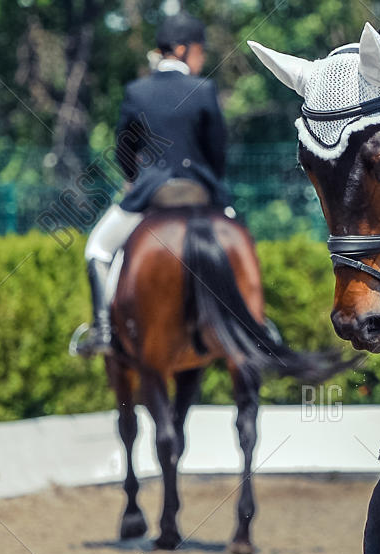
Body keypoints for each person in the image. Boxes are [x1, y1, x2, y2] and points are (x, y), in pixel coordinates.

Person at [72, 13, 233, 357]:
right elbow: (217, 151)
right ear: (181, 49)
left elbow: (123, 148)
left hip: (151, 194)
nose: (201, 59)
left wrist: (133, 180)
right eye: (199, 51)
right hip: (201, 192)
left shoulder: (136, 91)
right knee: (239, 241)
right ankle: (255, 324)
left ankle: (102, 331)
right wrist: (211, 182)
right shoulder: (204, 89)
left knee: (98, 250)